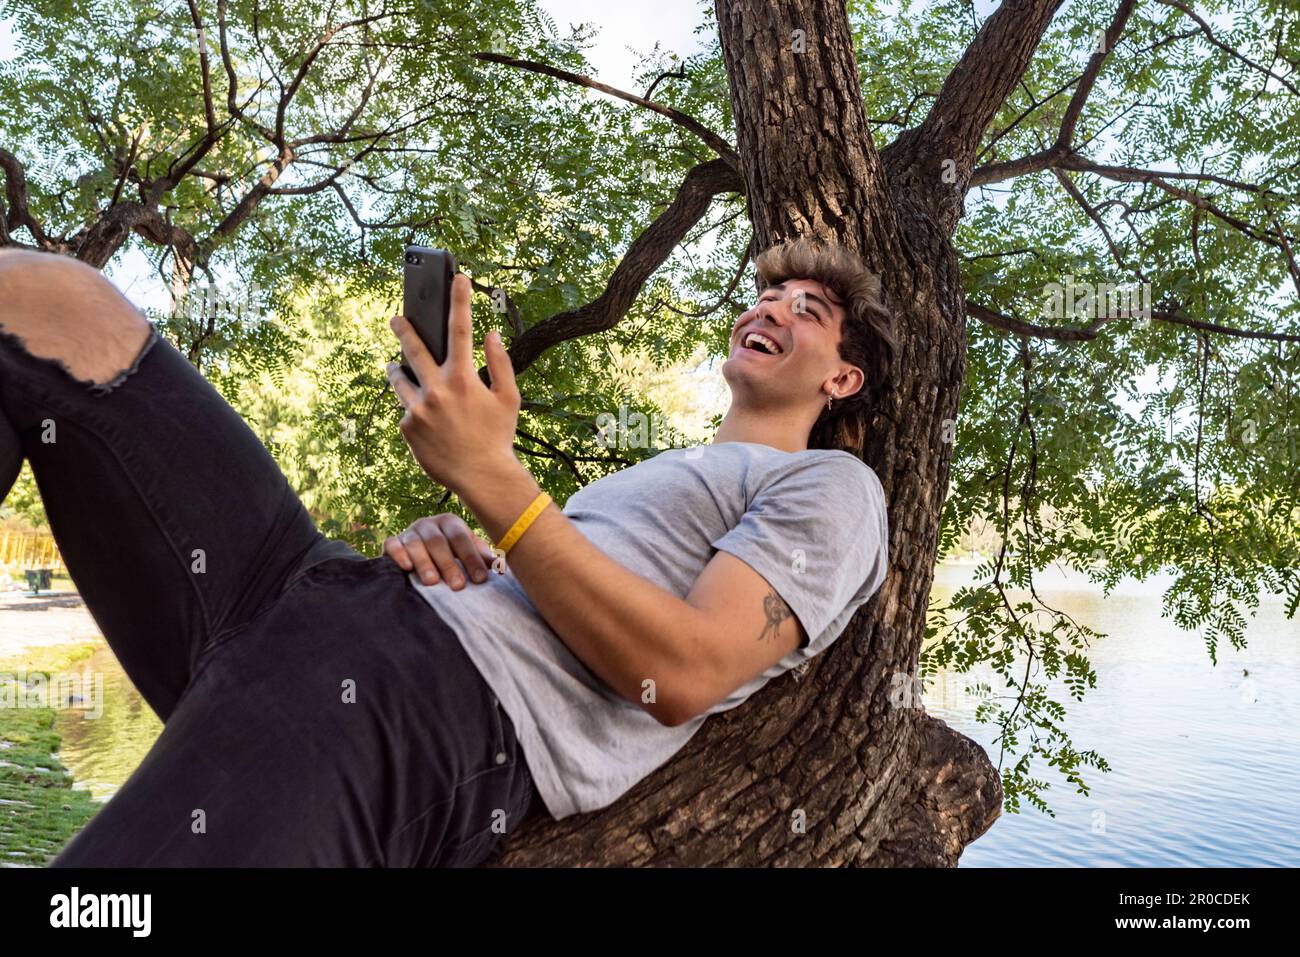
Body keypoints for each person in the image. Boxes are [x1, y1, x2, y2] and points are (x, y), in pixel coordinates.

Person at [0, 236, 893, 867]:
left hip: (414, 711)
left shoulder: (837, 489)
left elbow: (684, 669)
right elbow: (555, 579)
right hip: (315, 589)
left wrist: (491, 479)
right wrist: (471, 549)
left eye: (804, 309)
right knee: (53, 309)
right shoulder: (677, 469)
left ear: (841, 378)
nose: (770, 306)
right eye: (766, 294)